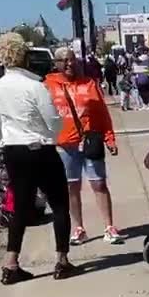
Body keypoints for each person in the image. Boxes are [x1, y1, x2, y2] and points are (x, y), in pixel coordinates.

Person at [0, 33, 78, 284]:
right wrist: (52, 135)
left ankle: (11, 263)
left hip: (13, 149)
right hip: (39, 149)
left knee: (20, 207)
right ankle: (62, 261)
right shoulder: (35, 86)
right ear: (24, 56)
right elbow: (53, 121)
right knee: (59, 204)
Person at [45, 47, 123, 245]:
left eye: (72, 59)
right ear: (56, 63)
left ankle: (109, 227)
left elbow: (102, 113)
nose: (69, 64)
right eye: (64, 60)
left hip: (90, 141)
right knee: (72, 187)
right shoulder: (48, 85)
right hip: (64, 145)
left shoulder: (89, 84)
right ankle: (79, 229)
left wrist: (109, 138)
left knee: (99, 184)